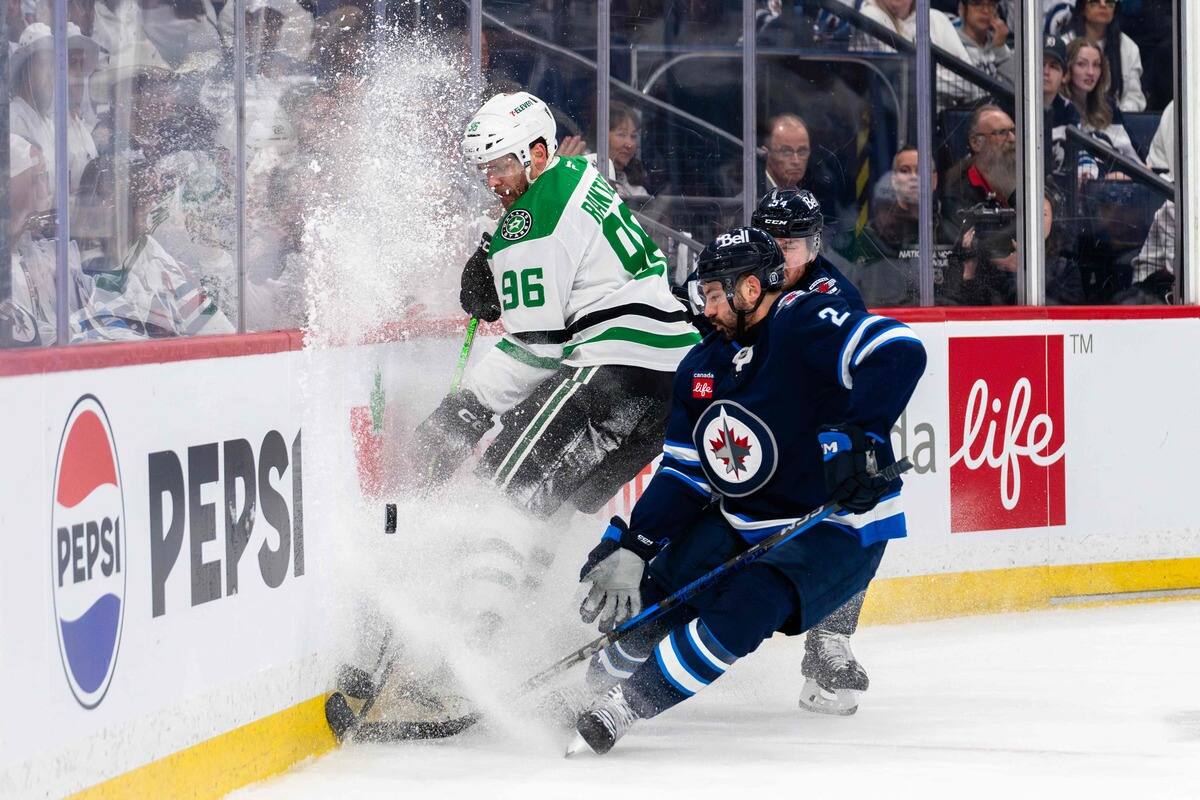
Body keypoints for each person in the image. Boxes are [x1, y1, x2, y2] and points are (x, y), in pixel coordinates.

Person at [568, 226, 926, 755]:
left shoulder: (802, 321)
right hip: (746, 514)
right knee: (656, 599)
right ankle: (585, 689)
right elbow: (683, 475)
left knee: (747, 607)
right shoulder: (701, 366)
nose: (705, 306)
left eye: (714, 293)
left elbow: (898, 349)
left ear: (752, 289)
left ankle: (626, 705)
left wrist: (861, 435)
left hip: (834, 524)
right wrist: (635, 544)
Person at [415, 91, 700, 639]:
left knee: (497, 489)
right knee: (549, 508)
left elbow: (540, 346)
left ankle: (471, 640)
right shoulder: (578, 172)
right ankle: (508, 631)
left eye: (501, 165)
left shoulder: (531, 221)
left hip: (613, 371)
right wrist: (496, 246)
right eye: (485, 169)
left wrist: (468, 407)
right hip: (669, 386)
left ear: (538, 154)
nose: (493, 181)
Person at [837, 146, 956, 306]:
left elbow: (958, 298)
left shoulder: (950, 235)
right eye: (905, 170)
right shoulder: (868, 240)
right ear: (893, 179)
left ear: (933, 180)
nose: (913, 177)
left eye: (920, 170)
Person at [856, 0, 976, 107]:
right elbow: (900, 82)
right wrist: (943, 72)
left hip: (942, 118)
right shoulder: (869, 15)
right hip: (895, 120)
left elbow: (970, 83)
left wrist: (917, 71)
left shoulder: (937, 19)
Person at [1061, 38, 1143, 169]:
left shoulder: (1109, 108)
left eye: (1096, 65)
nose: (1091, 72)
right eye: (1082, 64)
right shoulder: (1059, 109)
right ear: (1067, 68)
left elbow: (1133, 158)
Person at [1055, 0, 1146, 113]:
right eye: (1095, 1)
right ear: (1082, 8)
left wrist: (1115, 115)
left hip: (1115, 121)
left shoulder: (1129, 48)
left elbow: (1134, 97)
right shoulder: (1064, 44)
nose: (1103, 5)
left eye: (1109, 2)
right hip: (1070, 118)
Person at [941, 104, 1017, 222]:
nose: (1012, 139)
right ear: (976, 143)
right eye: (1002, 132)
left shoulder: (1028, 180)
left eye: (1013, 131)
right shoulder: (956, 193)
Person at [956, 0, 1013, 87]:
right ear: (962, 8)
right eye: (977, 4)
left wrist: (1000, 49)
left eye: (991, 5)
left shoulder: (998, 43)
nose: (986, 10)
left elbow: (1016, 87)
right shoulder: (953, 42)